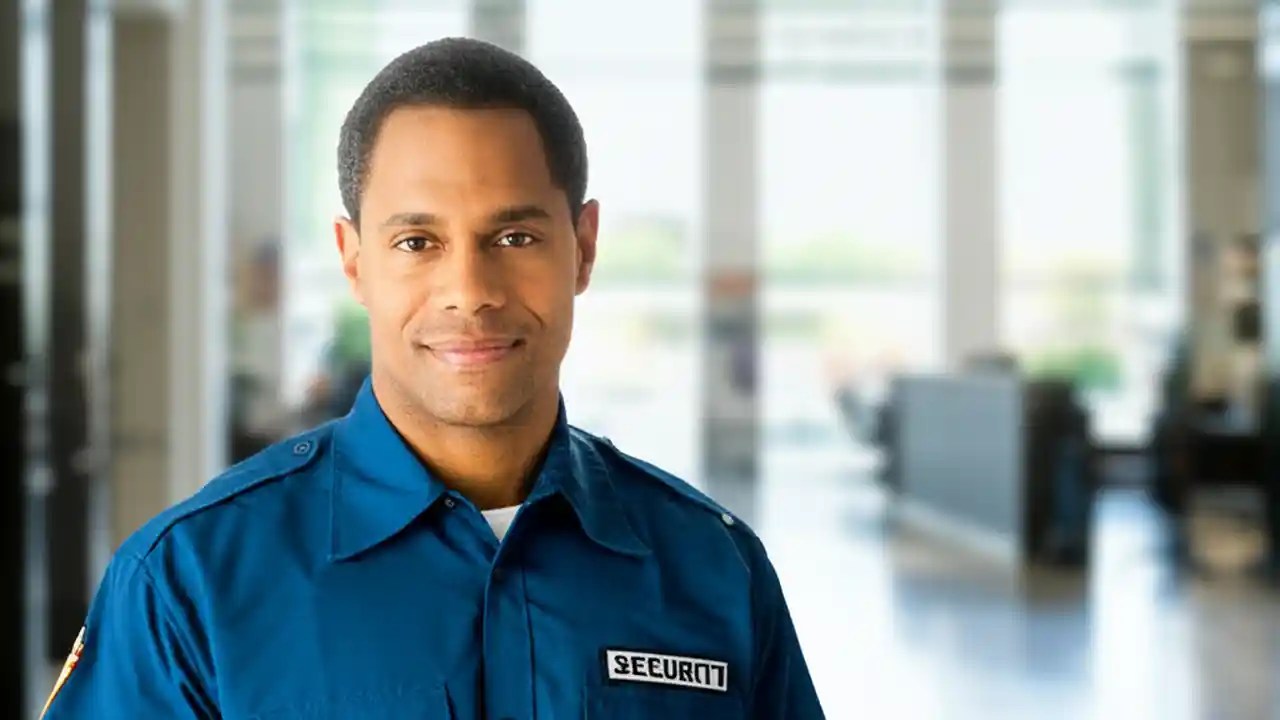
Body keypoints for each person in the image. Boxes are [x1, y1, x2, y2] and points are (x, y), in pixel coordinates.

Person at [42, 38, 823, 719]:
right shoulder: (191, 584)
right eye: (417, 241)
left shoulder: (714, 571)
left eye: (514, 235)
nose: (469, 289)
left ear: (583, 248)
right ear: (354, 260)